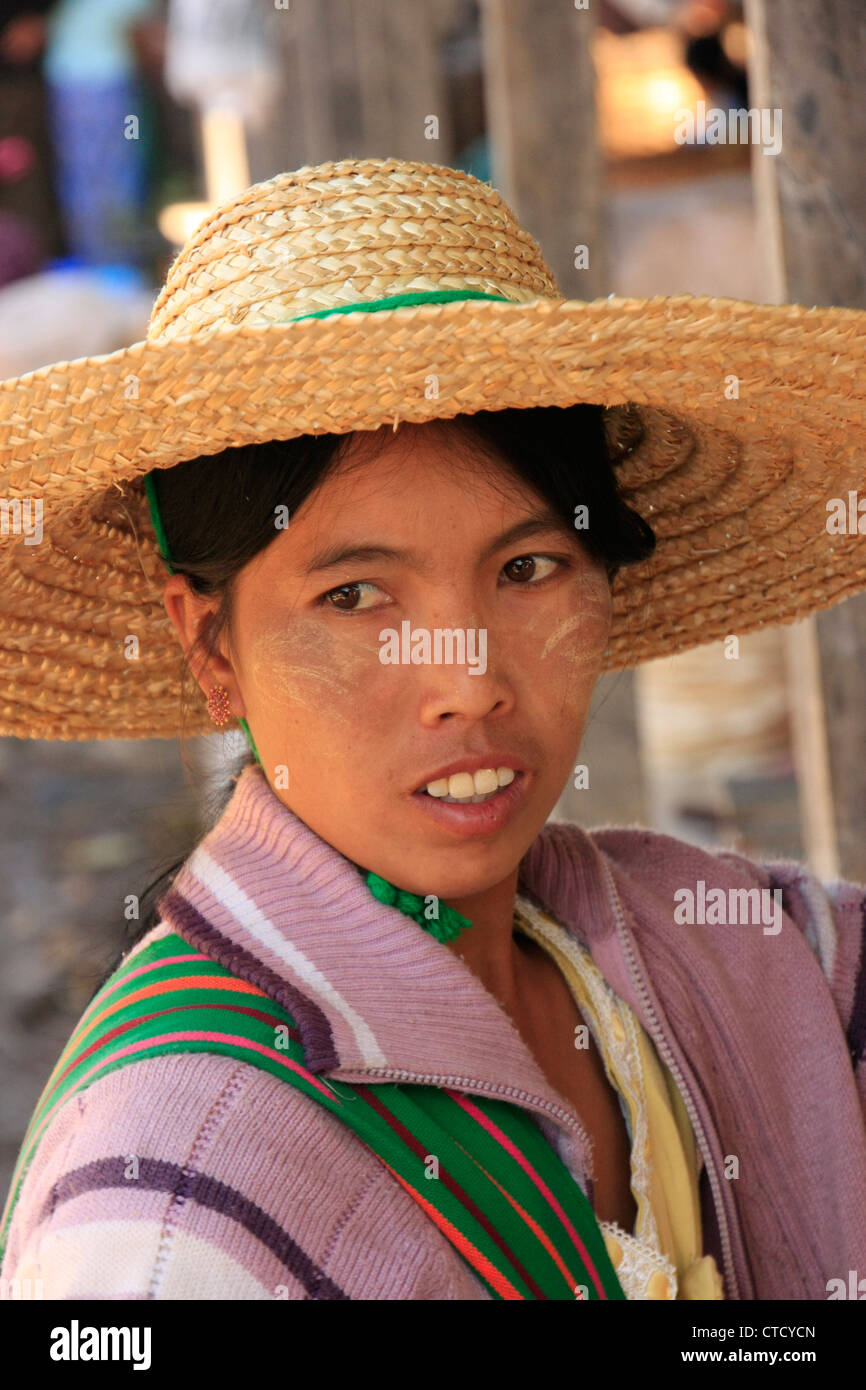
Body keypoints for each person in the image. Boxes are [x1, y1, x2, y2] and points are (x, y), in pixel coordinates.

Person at [0, 156, 864, 1301]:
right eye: (354, 596)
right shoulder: (164, 1200)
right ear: (210, 646)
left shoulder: (740, 956)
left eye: (526, 567)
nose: (466, 683)